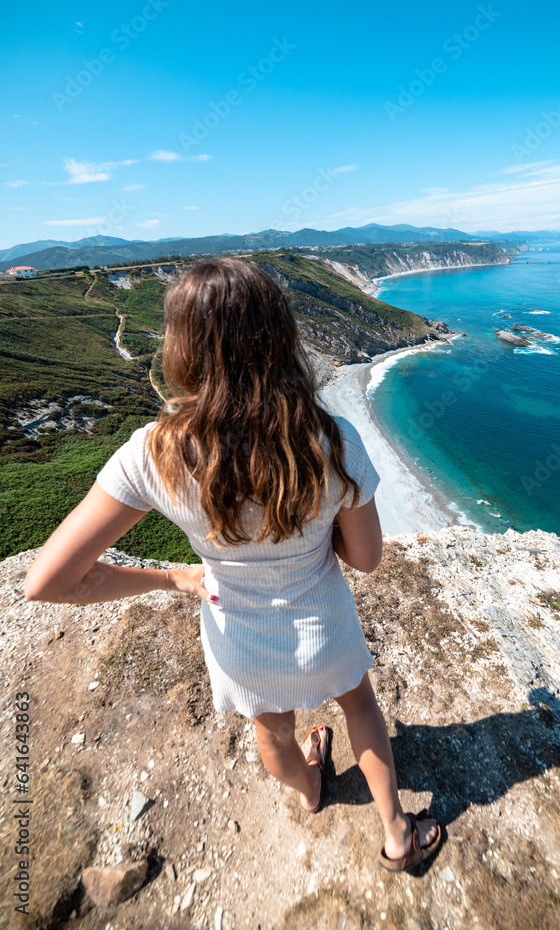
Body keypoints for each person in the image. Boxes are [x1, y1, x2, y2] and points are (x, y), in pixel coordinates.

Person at [25, 258, 440, 871]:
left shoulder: (153, 452)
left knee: (272, 734)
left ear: (182, 347)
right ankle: (397, 833)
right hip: (325, 625)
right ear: (279, 339)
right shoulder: (333, 440)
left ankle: (309, 791)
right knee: (361, 709)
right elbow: (369, 558)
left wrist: (172, 577)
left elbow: (47, 582)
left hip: (239, 639)